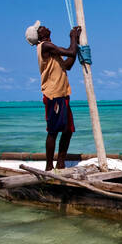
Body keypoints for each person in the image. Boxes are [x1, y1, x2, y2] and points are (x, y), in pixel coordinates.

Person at [26, 20, 80, 170]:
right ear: (40, 35)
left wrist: (76, 42)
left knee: (68, 131)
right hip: (53, 95)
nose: (44, 27)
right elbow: (70, 52)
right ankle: (49, 166)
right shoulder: (45, 46)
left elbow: (67, 64)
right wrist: (73, 38)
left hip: (62, 94)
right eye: (40, 28)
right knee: (53, 131)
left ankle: (60, 162)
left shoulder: (51, 49)